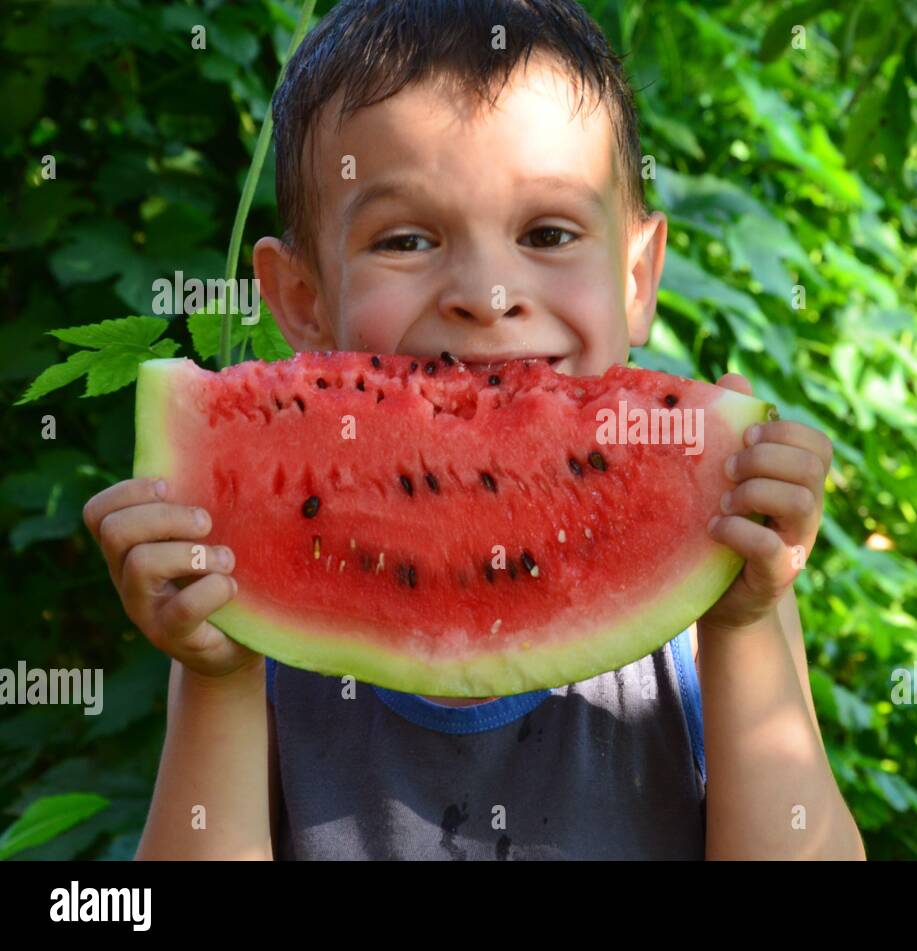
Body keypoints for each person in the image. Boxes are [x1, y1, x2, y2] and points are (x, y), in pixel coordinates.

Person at [83, 0, 864, 860]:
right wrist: (218, 679)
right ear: (301, 299)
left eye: (548, 232)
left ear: (637, 275)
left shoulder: (715, 586)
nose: (489, 295)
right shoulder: (249, 610)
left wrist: (748, 629)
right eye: (409, 239)